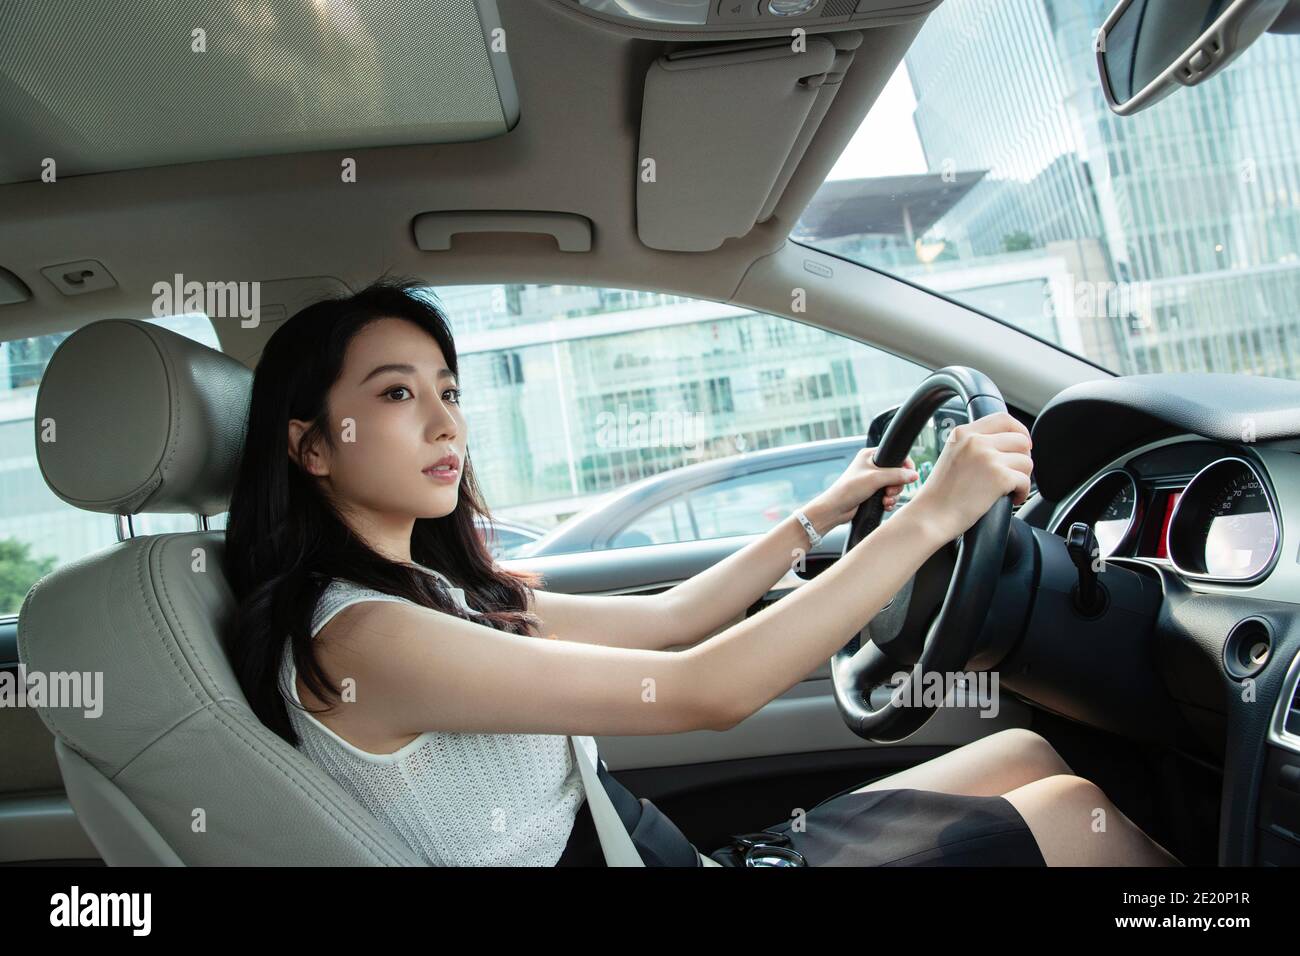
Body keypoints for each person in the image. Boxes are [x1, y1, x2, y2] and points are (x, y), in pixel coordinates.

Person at [223, 278, 1179, 867]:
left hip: (661, 853)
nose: (446, 423)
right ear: (311, 448)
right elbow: (702, 690)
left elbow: (673, 621)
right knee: (1073, 814)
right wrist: (932, 516)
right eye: (397, 393)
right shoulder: (363, 637)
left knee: (1030, 759)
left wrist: (825, 513)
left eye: (450, 391)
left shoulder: (433, 594)